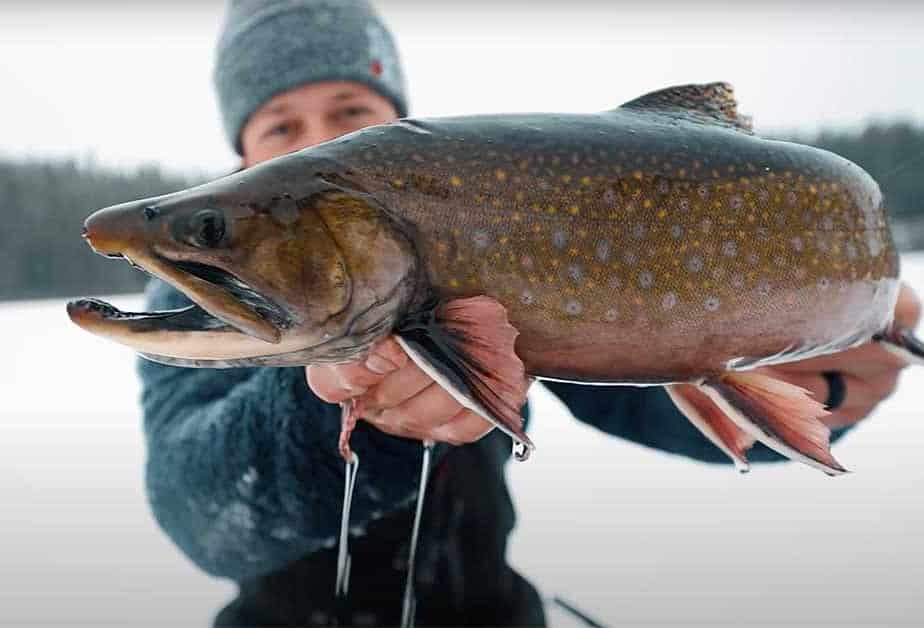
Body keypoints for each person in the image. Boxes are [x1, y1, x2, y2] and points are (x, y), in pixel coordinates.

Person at [139, 1, 922, 626]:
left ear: (391, 121)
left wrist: (837, 390)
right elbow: (201, 514)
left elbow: (656, 410)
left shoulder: (480, 227)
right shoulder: (190, 294)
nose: (318, 136)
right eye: (281, 128)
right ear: (243, 154)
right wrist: (329, 398)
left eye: (350, 109)